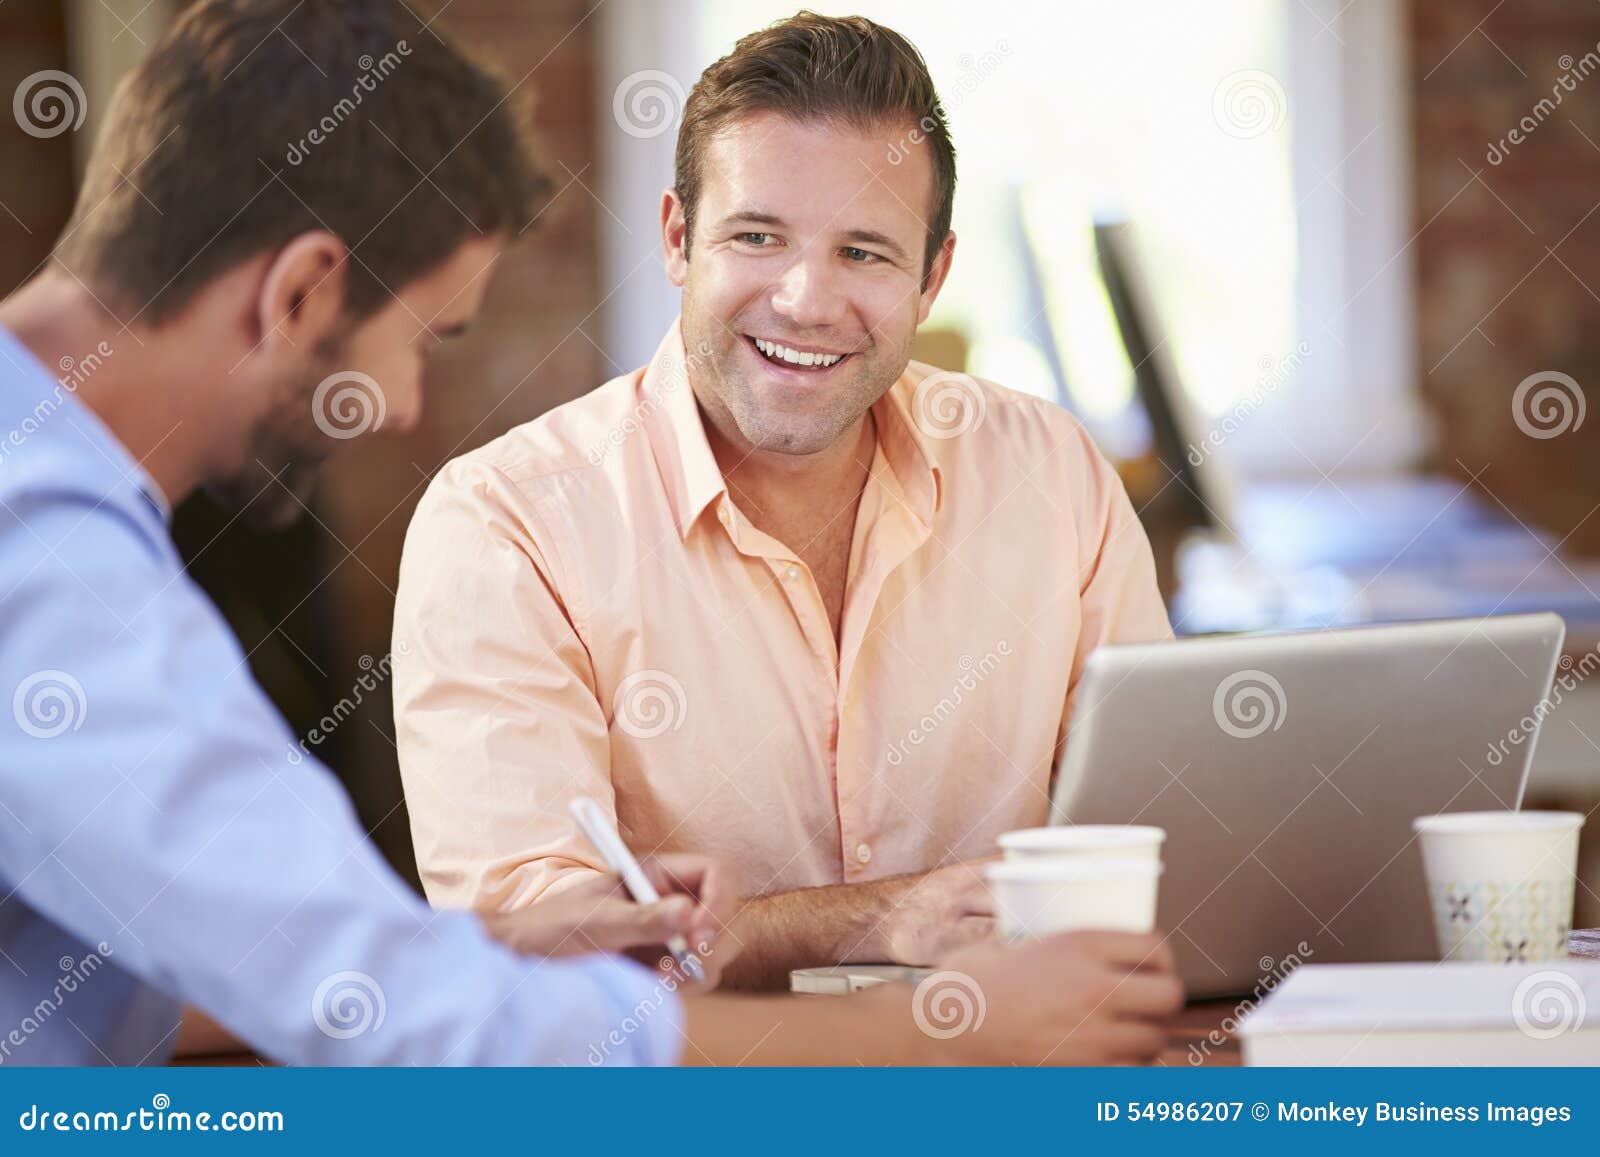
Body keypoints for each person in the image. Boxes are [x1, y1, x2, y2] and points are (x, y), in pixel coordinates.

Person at [0, 0, 1180, 1067]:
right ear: (303, 291)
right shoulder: (43, 543)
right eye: (423, 338)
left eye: (863, 249)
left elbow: (145, 975)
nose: (401, 407)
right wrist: (927, 1033)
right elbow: (400, 1015)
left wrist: (505, 936)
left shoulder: (52, 502)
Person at [392, 12, 1175, 995]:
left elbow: (1162, 832)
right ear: (679, 238)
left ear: (931, 276)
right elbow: (527, 951)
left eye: (865, 252)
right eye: (757, 236)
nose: (805, 300)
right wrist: (878, 920)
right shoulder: (504, 527)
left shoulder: (1049, 473)